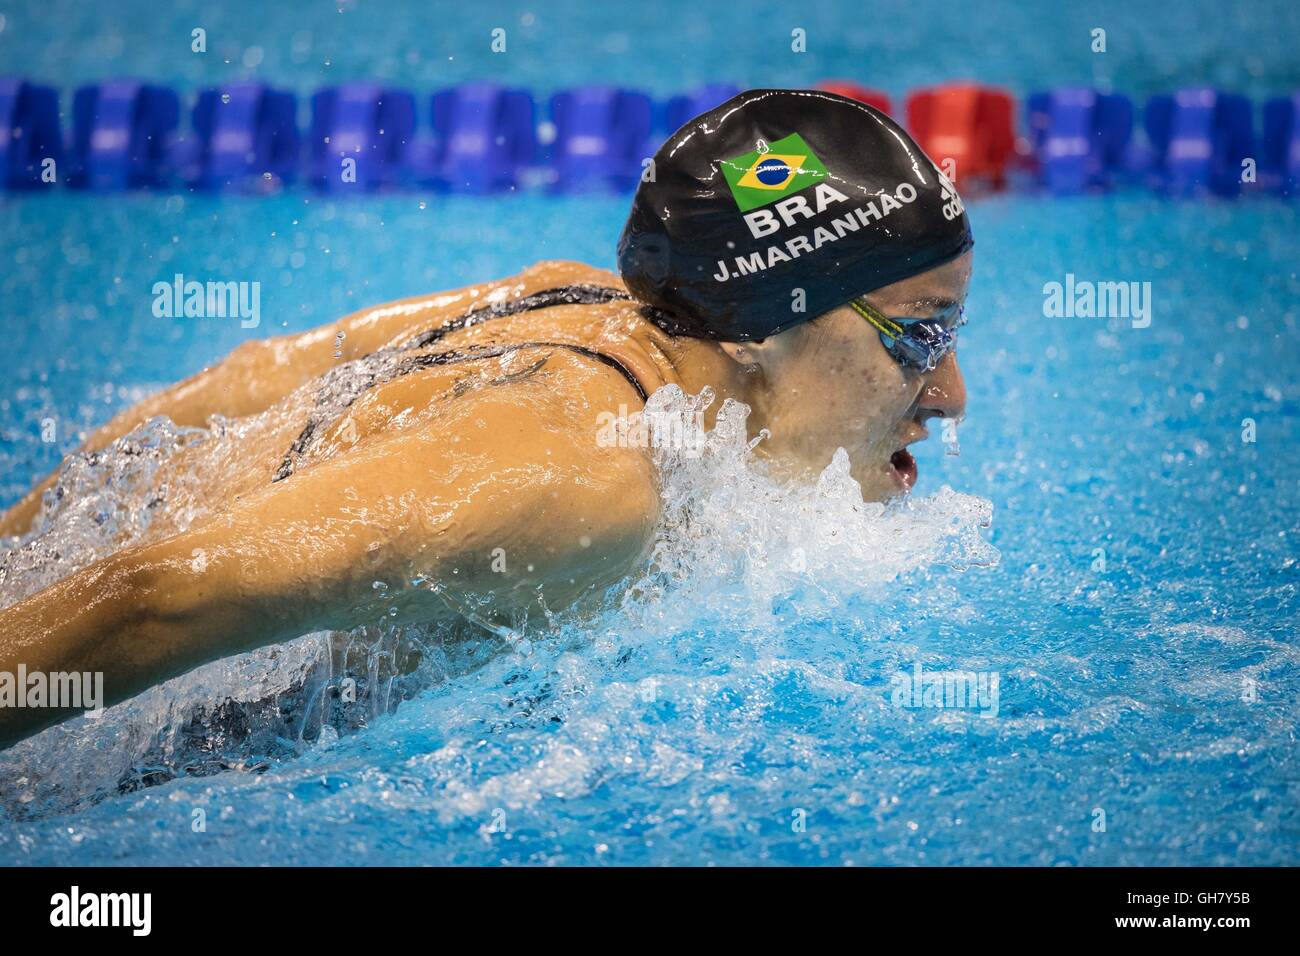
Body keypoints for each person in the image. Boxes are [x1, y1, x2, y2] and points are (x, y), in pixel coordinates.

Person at [0, 88, 973, 749]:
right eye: (921, 335)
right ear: (767, 323)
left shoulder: (590, 305)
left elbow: (244, 382)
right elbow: (159, 594)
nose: (951, 393)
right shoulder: (588, 477)